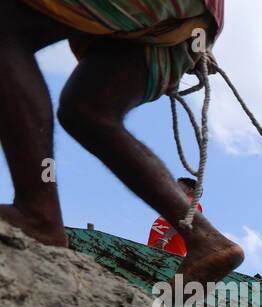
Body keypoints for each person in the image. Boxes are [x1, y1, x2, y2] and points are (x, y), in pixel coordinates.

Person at [0, 0, 243, 286]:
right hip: (192, 17)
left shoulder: (195, 204)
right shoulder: (189, 207)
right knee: (89, 110)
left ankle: (38, 212)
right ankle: (206, 240)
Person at [147, 175, 198, 255]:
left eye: (177, 186)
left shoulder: (191, 203)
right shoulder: (175, 205)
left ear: (189, 190)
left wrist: (164, 239)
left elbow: (184, 220)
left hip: (168, 253)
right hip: (154, 251)